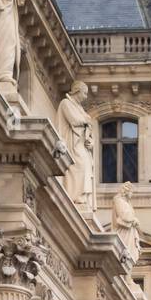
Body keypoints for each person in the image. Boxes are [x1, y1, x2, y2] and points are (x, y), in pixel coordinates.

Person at [57, 82, 96, 214]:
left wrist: (92, 142)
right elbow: (74, 120)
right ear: (77, 91)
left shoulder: (79, 108)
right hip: (71, 144)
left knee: (86, 167)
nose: (85, 97)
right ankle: (76, 196)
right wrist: (86, 120)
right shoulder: (66, 103)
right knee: (79, 165)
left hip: (81, 144)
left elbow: (89, 130)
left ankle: (82, 197)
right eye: (84, 93)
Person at [111, 182, 141, 266]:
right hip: (124, 231)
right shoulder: (118, 200)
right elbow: (123, 215)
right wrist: (134, 220)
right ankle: (126, 276)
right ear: (126, 191)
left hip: (129, 231)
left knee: (130, 253)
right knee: (125, 252)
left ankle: (128, 276)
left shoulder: (127, 203)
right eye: (131, 192)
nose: (132, 194)